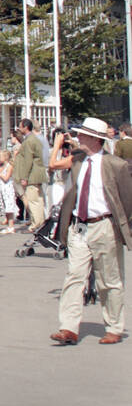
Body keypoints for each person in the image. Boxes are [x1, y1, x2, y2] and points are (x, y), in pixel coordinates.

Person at [50, 117, 132, 346]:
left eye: (83, 135)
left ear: (96, 140)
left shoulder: (115, 165)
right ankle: (68, 328)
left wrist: (120, 227)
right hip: (80, 225)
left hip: (104, 225)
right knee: (74, 276)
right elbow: (53, 165)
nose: (78, 138)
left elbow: (127, 200)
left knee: (109, 280)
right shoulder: (77, 160)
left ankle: (114, 327)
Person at [12, 118, 49, 232]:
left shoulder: (29, 141)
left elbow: (28, 160)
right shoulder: (34, 139)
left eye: (20, 126)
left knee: (33, 200)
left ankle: (36, 224)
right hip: (37, 173)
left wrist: (24, 177)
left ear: (25, 127)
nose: (19, 128)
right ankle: (39, 222)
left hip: (32, 175)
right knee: (38, 199)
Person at [49, 128, 75, 212]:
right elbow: (51, 166)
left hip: (69, 182)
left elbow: (80, 154)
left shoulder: (70, 150)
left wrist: (73, 143)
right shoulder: (52, 151)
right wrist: (56, 146)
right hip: (57, 182)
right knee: (57, 207)